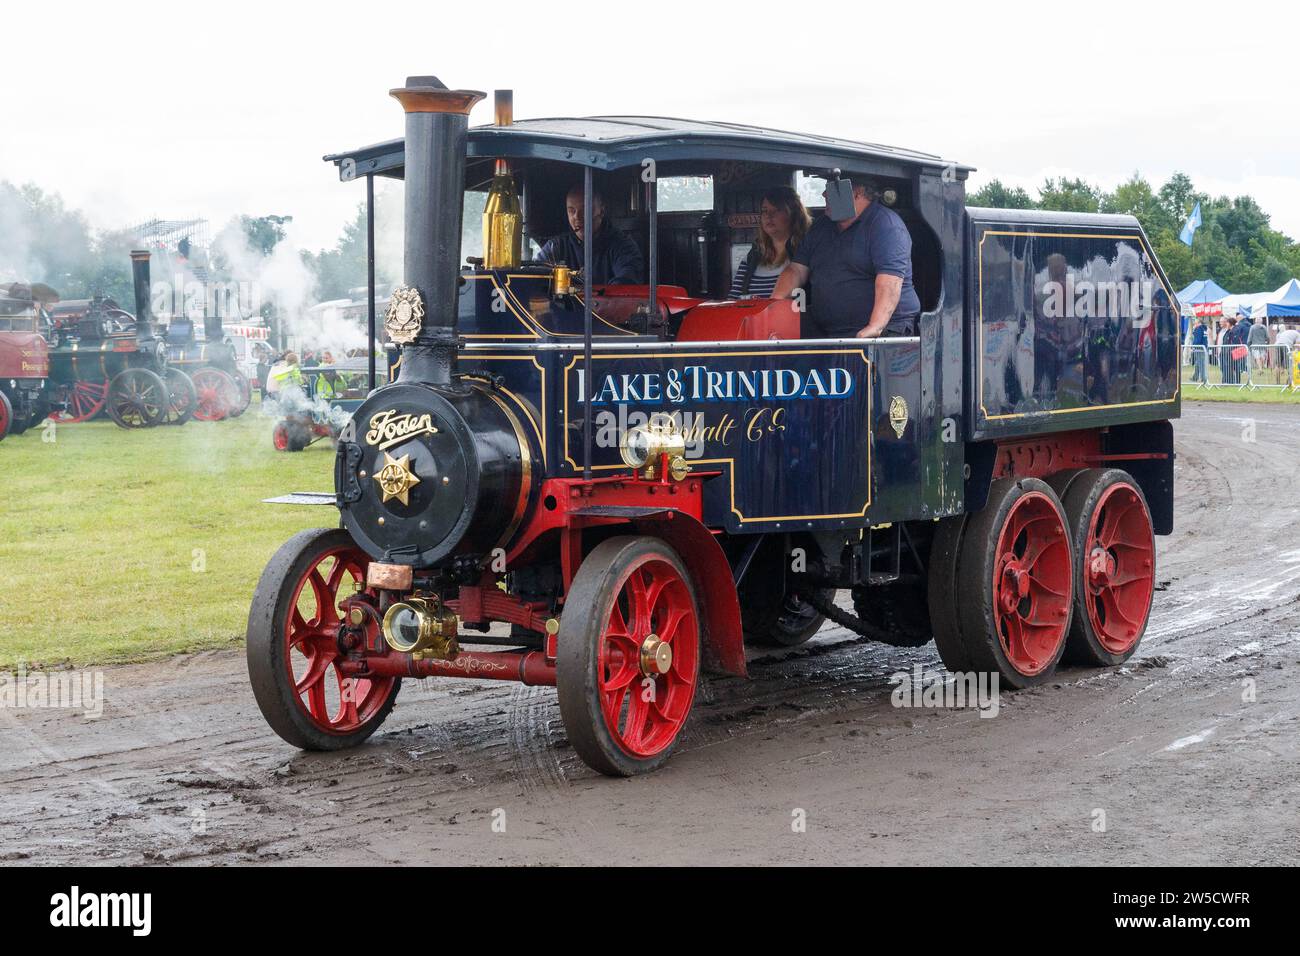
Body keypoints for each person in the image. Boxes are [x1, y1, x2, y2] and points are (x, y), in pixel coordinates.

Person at [772, 178, 921, 338]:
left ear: (857, 193)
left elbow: (889, 281)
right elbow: (797, 270)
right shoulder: (821, 227)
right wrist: (773, 305)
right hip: (829, 332)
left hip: (886, 332)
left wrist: (875, 326)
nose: (823, 194)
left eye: (831, 189)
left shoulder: (886, 226)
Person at [537, 184, 643, 285]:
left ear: (602, 211)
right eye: (571, 211)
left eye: (585, 210)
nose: (577, 217)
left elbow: (626, 283)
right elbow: (534, 276)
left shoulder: (623, 246)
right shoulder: (555, 247)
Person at [729, 186, 811, 299]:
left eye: (777, 209)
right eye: (764, 210)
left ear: (794, 214)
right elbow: (732, 300)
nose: (769, 215)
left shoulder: (807, 254)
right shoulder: (752, 257)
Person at [1189, 317, 1208, 384]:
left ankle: (1203, 378)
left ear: (1199, 323)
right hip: (1203, 348)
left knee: (1201, 364)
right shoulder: (1204, 329)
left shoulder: (1198, 329)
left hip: (1199, 348)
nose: (1195, 324)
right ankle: (1195, 377)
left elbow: (1197, 339)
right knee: (1198, 363)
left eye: (1196, 323)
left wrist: (1193, 346)